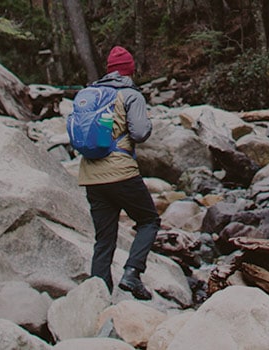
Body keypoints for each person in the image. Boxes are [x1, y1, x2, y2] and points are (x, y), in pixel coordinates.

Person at [78, 46, 157, 300]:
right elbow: (139, 133)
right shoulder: (130, 95)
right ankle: (132, 273)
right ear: (129, 71)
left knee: (104, 239)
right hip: (121, 173)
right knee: (149, 221)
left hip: (91, 176)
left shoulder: (89, 93)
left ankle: (98, 298)